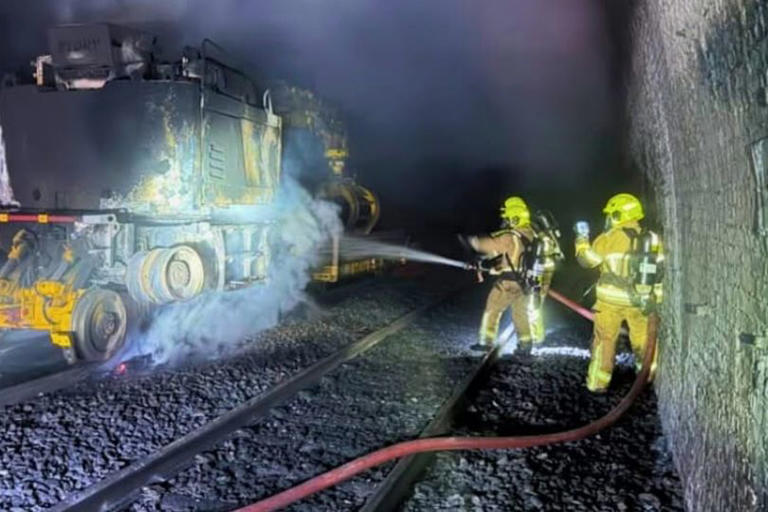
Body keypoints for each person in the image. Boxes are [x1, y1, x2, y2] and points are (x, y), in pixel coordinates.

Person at [574, 193, 664, 392]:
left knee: (605, 340)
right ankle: (646, 376)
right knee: (643, 339)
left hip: (609, 302)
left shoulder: (609, 238)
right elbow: (659, 272)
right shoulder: (653, 239)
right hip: (640, 300)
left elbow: (588, 261)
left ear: (618, 215)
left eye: (611, 215)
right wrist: (654, 298)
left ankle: (598, 383)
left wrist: (581, 240)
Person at [466, 196, 561, 354]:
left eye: (508, 217)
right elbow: (513, 258)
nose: (506, 220)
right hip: (526, 284)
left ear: (514, 216)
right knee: (520, 314)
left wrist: (473, 241)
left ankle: (485, 342)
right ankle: (525, 345)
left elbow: (491, 247)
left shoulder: (511, 236)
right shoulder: (532, 234)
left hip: (509, 283)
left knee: (493, 309)